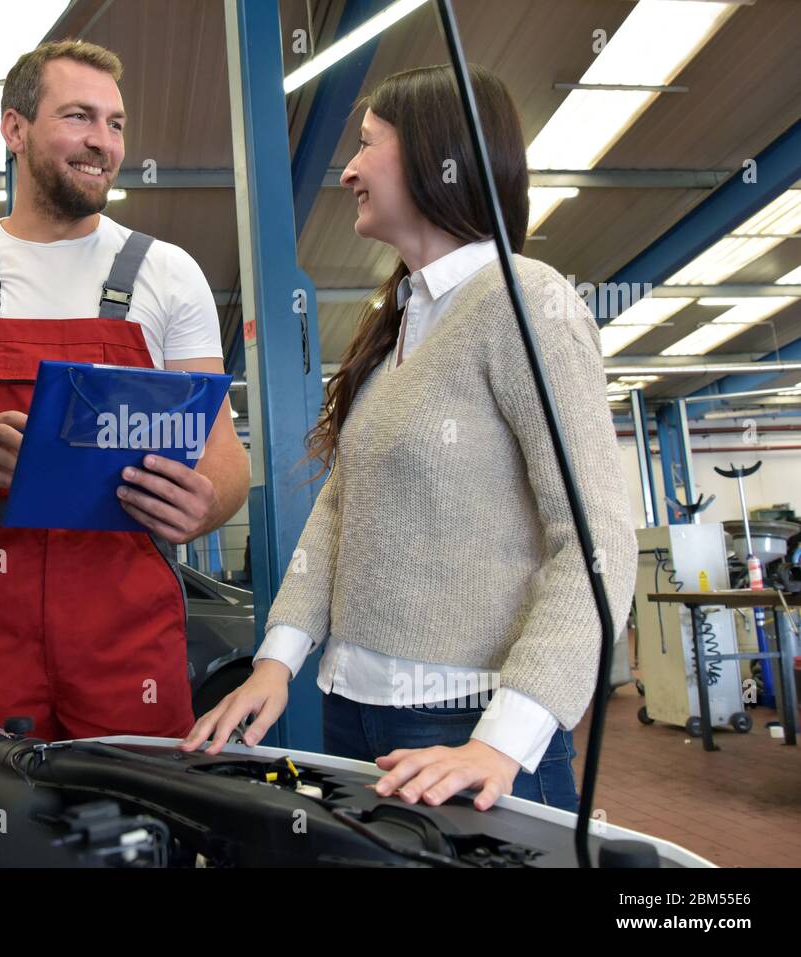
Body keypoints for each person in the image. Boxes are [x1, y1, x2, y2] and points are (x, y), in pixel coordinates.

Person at [181, 64, 637, 813]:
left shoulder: (528, 303)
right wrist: (275, 661)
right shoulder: (404, 320)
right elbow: (339, 513)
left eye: (366, 146)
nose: (350, 170)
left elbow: (598, 546)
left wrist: (504, 737)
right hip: (353, 713)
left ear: (434, 155)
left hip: (467, 727)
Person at [0, 40, 249, 742]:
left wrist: (206, 505)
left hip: (127, 620)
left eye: (115, 123)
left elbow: (226, 458)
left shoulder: (167, 275)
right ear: (14, 130)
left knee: (137, 822)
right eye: (80, 117)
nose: (102, 142)